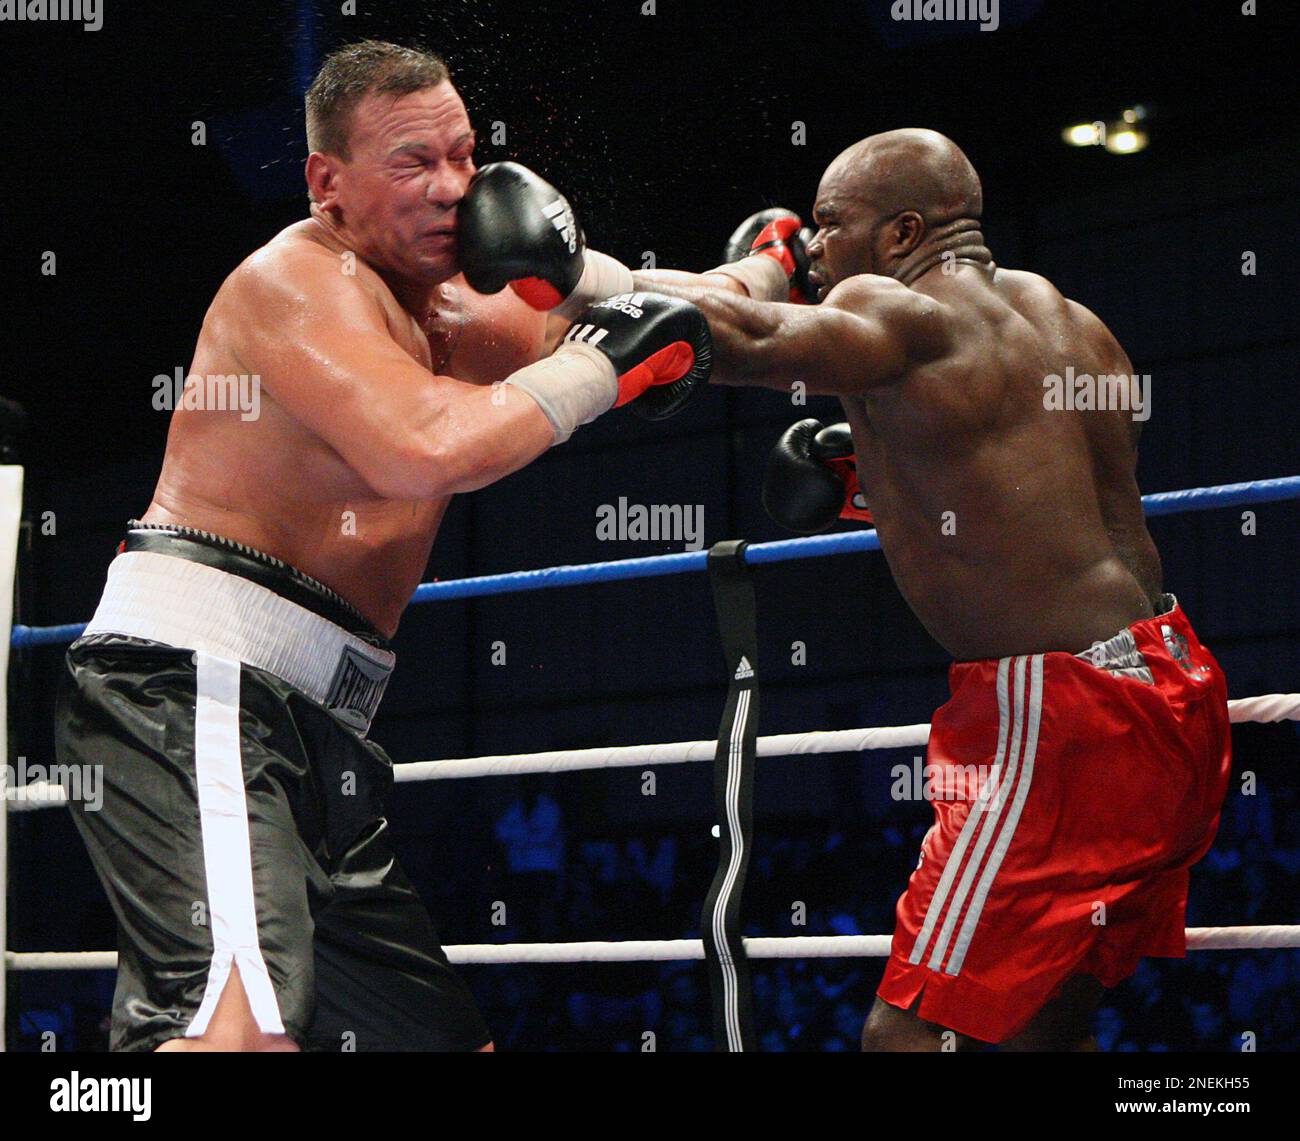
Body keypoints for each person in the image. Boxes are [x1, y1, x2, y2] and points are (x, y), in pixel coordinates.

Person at [53, 39, 711, 1052]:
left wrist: (786, 264)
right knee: (232, 1037)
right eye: (413, 163)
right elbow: (426, 448)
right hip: (200, 687)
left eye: (464, 155)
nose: (453, 188)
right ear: (329, 183)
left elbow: (662, 312)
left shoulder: (457, 306)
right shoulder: (296, 282)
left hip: (319, 728)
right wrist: (600, 372)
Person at [633, 128, 1233, 1050]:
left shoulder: (900, 308)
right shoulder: (1070, 321)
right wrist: (874, 483)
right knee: (1046, 1014)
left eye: (829, 226)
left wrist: (570, 270)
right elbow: (1042, 506)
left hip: (1064, 721)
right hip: (1175, 687)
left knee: (907, 1035)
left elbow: (742, 336)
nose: (814, 250)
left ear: (903, 231)